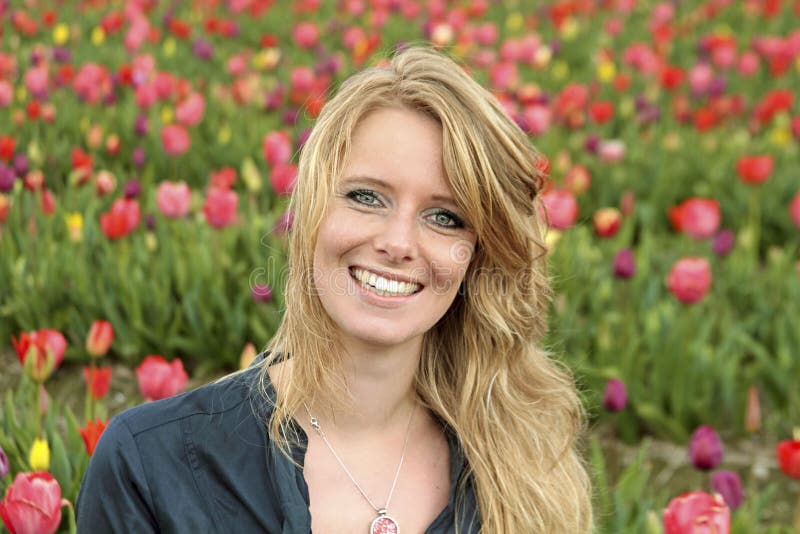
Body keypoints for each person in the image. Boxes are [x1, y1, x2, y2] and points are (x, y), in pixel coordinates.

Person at [76, 46, 592, 533]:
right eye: (367, 197)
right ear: (311, 214)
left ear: (480, 256)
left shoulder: (525, 467)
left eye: (445, 217)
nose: (397, 243)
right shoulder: (152, 465)